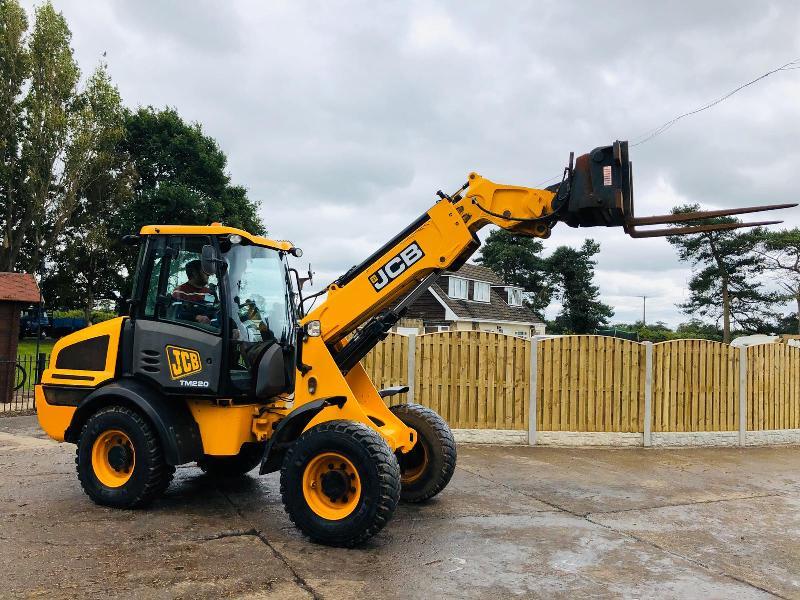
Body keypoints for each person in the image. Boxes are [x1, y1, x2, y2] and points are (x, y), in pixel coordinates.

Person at [172, 260, 215, 324]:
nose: (208, 275)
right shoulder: (180, 291)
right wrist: (196, 317)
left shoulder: (209, 294)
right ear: (194, 273)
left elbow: (213, 312)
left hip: (209, 330)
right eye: (204, 271)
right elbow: (177, 314)